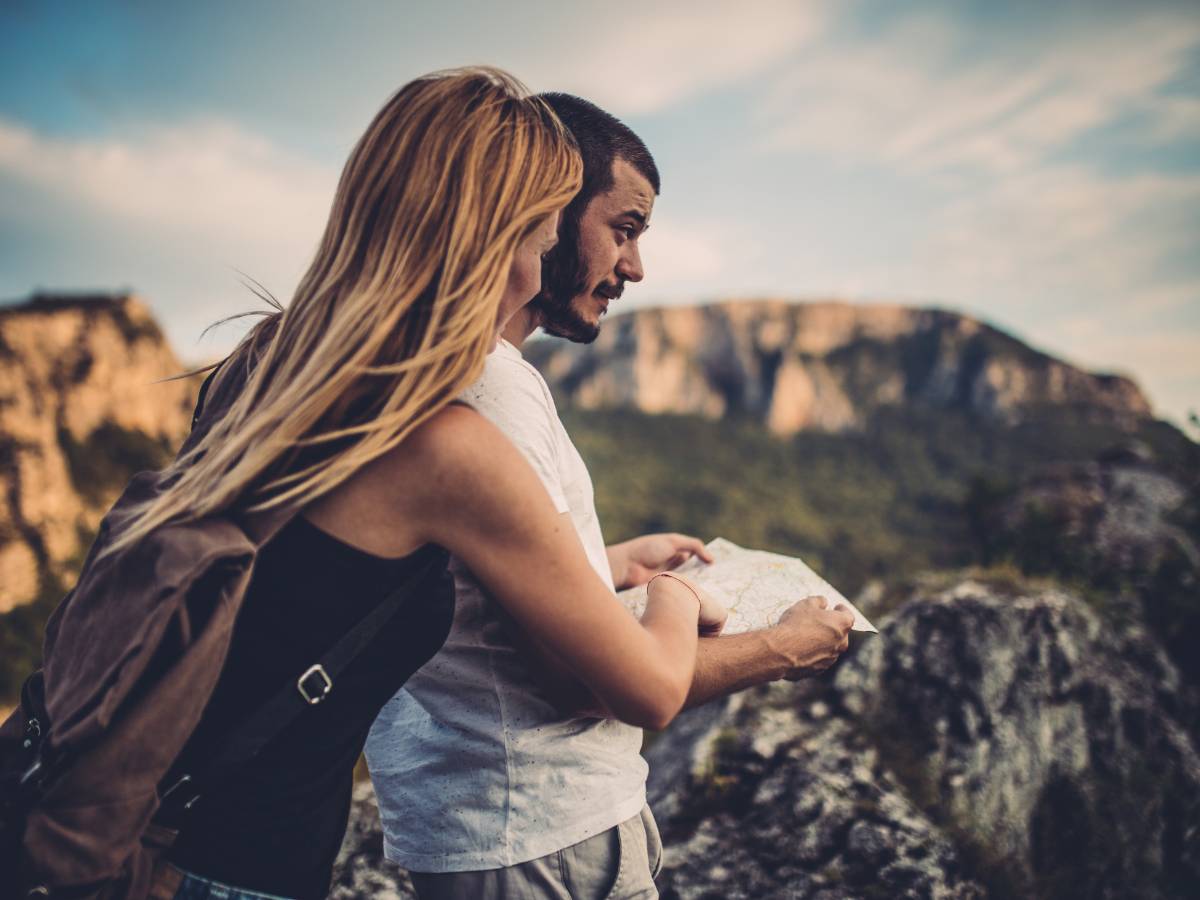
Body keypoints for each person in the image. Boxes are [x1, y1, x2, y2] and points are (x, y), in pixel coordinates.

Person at [9, 69, 725, 900]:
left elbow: (322, 584)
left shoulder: (269, 361)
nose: (537, 271)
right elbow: (652, 687)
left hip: (109, 824)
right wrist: (677, 594)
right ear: (494, 242)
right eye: (536, 242)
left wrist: (604, 560)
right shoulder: (448, 445)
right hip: (231, 869)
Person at [366, 93, 856, 899]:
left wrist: (607, 562)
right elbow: (592, 681)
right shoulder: (492, 394)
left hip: (480, 826)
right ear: (545, 214)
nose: (634, 267)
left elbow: (467, 588)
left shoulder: (438, 376)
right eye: (623, 229)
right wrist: (765, 639)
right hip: (538, 834)